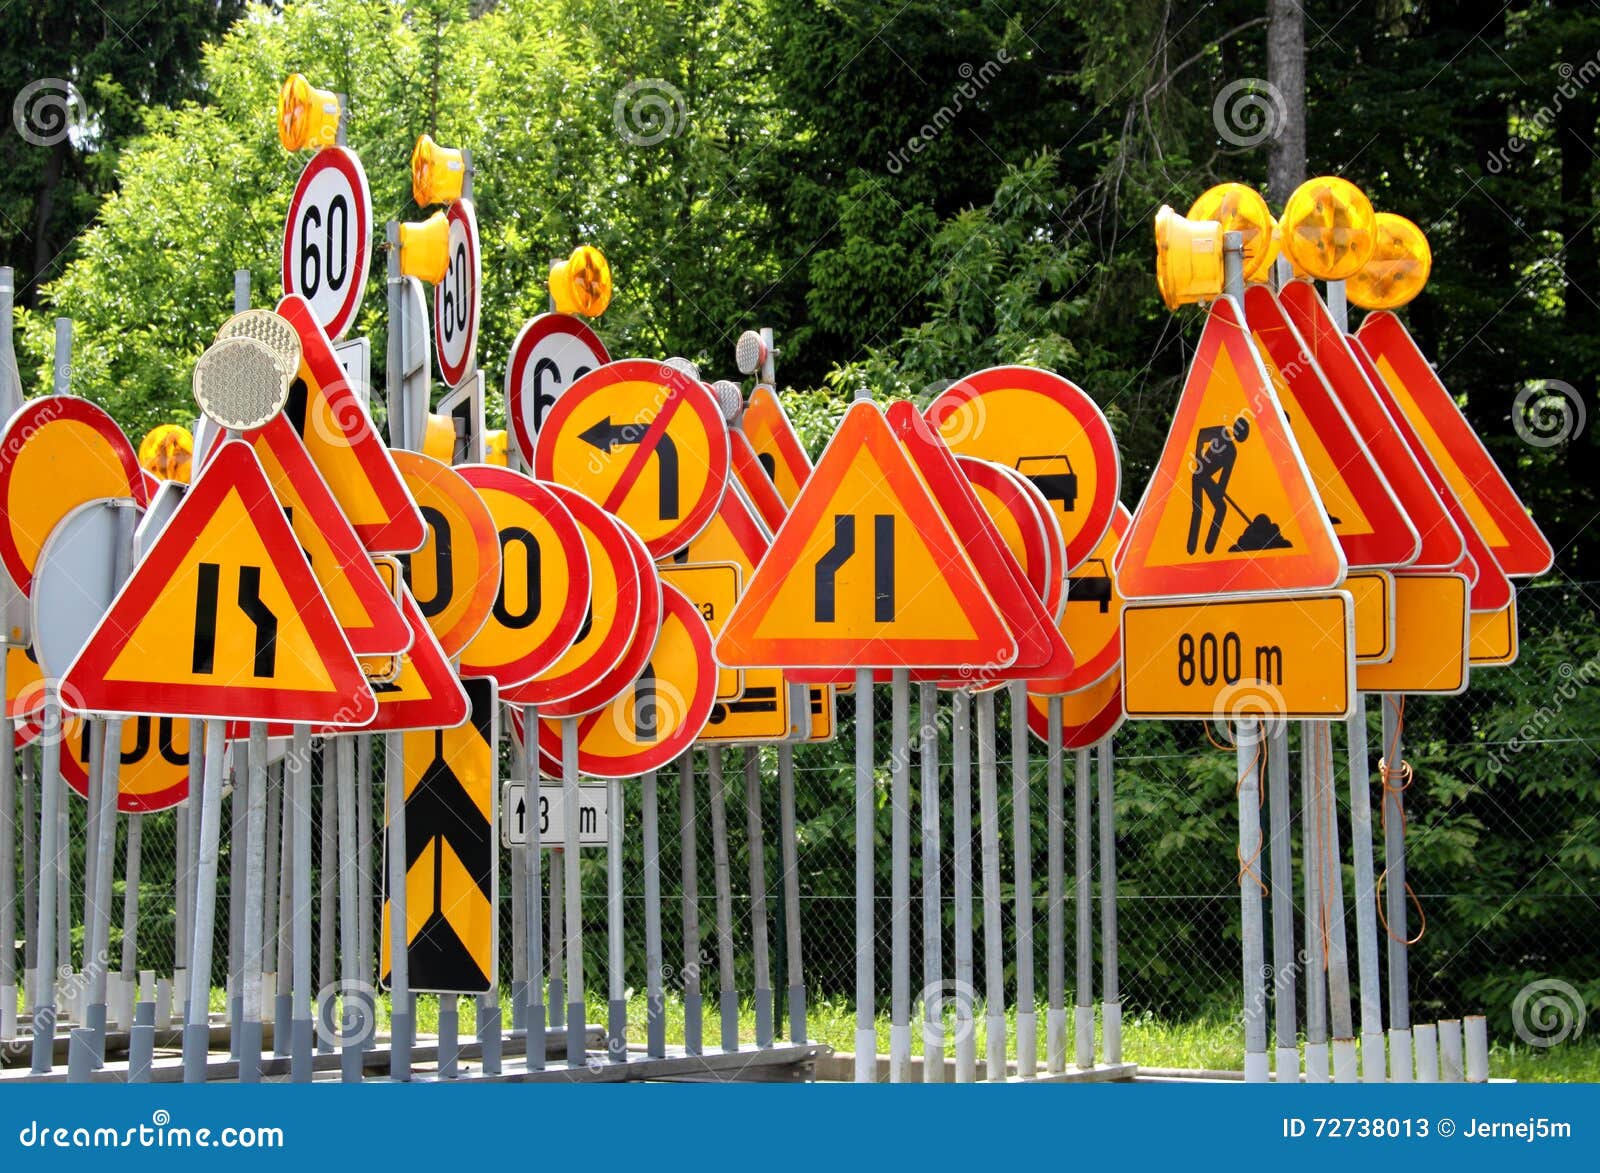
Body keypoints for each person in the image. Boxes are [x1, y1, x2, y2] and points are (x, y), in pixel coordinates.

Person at [1187, 416, 1250, 555]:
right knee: (1198, 509)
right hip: (1198, 475)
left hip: (1207, 479)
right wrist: (1199, 459)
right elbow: (1201, 435)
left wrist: (1219, 491)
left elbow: (1223, 481)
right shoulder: (1221, 432)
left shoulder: (1232, 453)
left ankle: (1210, 547)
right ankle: (1191, 548)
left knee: (1221, 507)